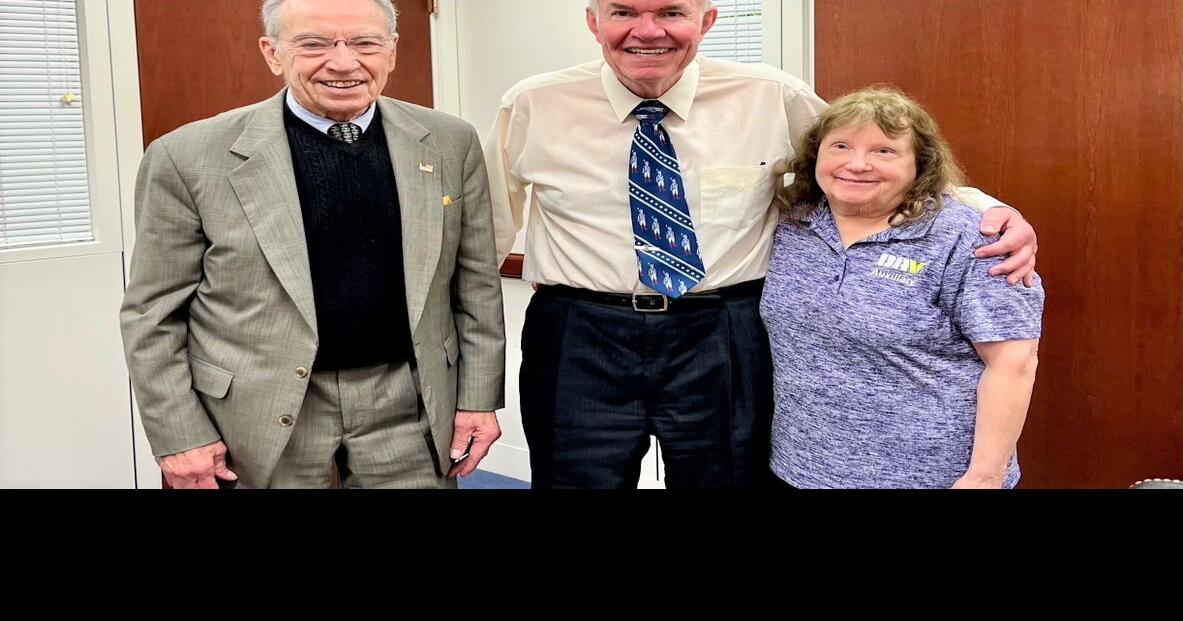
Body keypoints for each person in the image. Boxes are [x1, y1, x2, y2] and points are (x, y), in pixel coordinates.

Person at [483, 0, 1039, 488]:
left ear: (707, 21)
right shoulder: (533, 105)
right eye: (624, 13)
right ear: (593, 22)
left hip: (722, 333)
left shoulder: (772, 96)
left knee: (729, 480)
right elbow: (484, 235)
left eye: (671, 12)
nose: (646, 31)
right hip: (580, 335)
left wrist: (983, 205)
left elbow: (863, 159)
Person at [120, 0, 505, 489]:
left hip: (410, 404)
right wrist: (180, 434)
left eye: (364, 43)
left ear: (391, 52)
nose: (343, 63)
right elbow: (152, 313)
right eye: (314, 44)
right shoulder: (186, 157)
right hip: (259, 413)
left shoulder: (451, 141)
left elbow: (475, 286)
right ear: (273, 53)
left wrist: (476, 398)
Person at [761, 86, 1044, 488]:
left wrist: (985, 476)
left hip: (930, 476)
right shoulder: (794, 224)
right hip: (800, 470)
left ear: (920, 165)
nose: (857, 164)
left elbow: (1014, 364)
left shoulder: (974, 240)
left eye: (884, 151)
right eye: (840, 145)